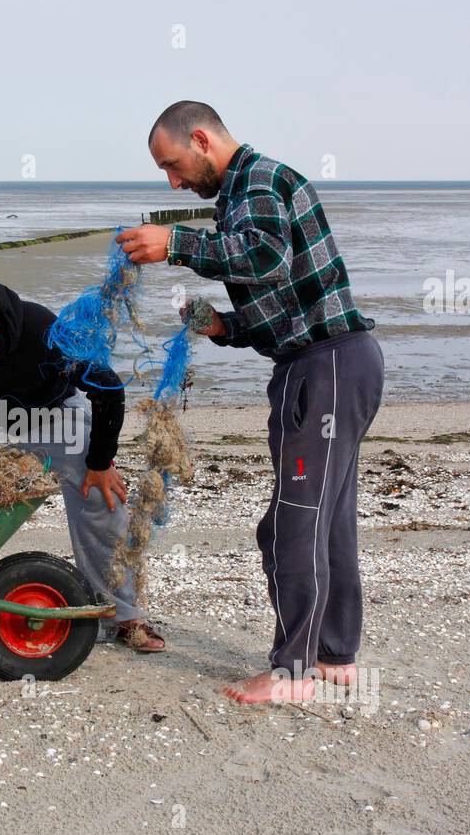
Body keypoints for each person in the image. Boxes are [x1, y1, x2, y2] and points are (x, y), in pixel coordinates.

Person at [118, 100, 384, 702]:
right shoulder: (251, 191)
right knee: (330, 516)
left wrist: (177, 243)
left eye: (174, 165)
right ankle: (335, 654)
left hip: (322, 369)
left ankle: (292, 672)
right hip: (343, 360)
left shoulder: (257, 181)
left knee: (291, 523)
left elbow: (264, 259)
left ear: (203, 140)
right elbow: (283, 298)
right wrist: (223, 327)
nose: (174, 180)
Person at [0, 279, 164, 651]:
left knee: (100, 493)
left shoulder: (45, 333)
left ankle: (124, 615)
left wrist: (100, 462)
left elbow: (109, 389)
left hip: (52, 416)